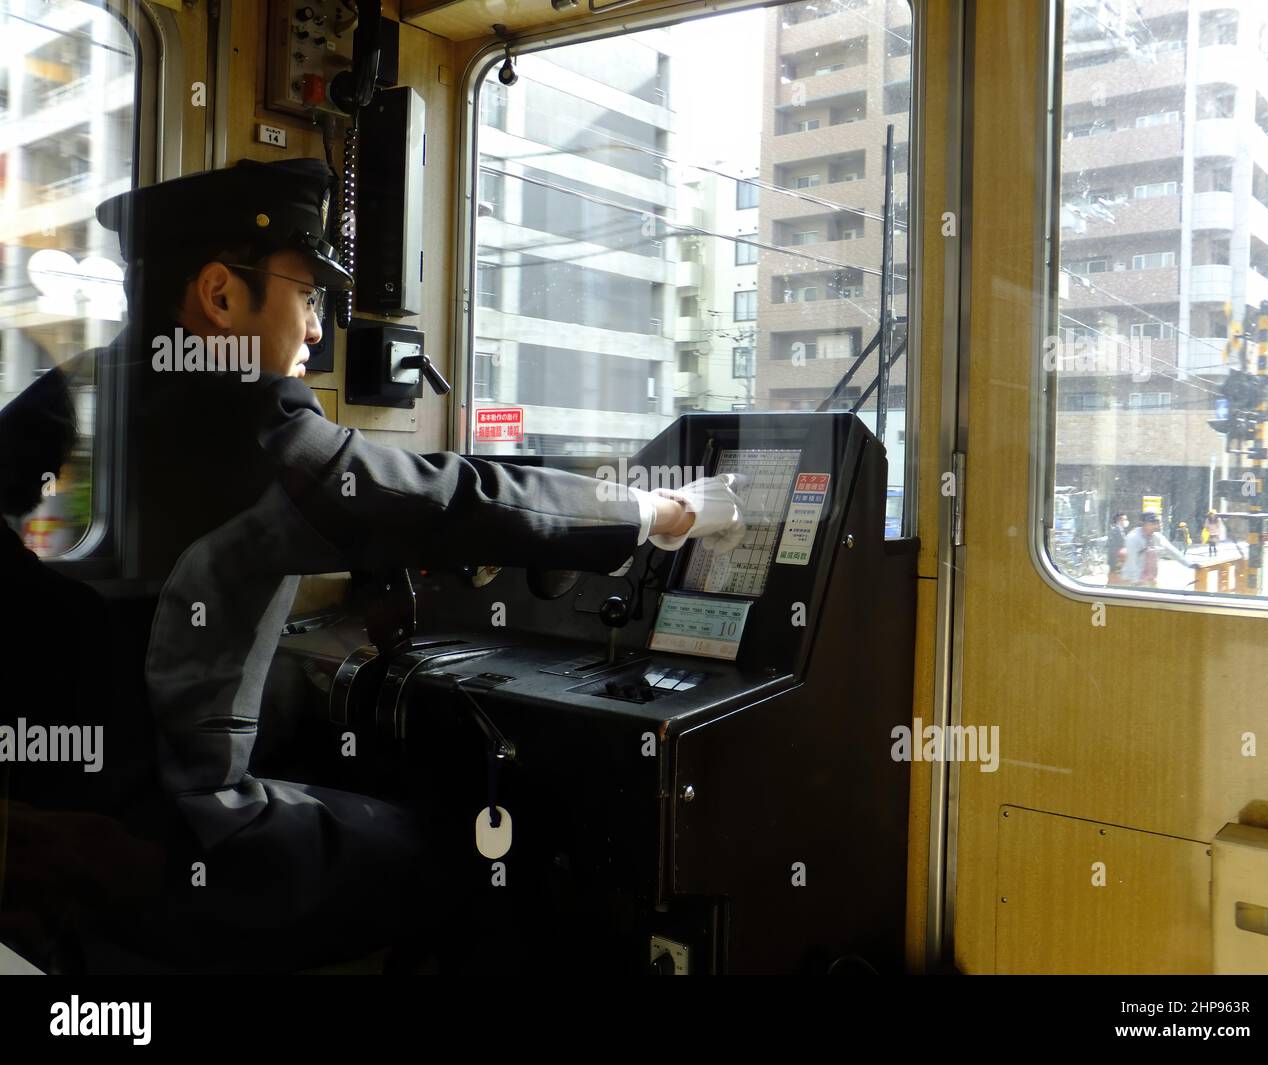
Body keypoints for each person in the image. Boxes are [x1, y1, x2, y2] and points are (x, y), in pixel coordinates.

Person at [4, 157, 747, 968]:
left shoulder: (57, 399)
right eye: (306, 295)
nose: (318, 330)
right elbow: (451, 500)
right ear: (220, 294)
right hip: (177, 843)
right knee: (493, 844)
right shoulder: (256, 423)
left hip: (34, 836)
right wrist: (654, 510)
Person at [1120, 512, 1199, 588]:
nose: (1155, 526)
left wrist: (1189, 564)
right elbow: (1132, 561)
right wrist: (1136, 581)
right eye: (1152, 524)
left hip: (1149, 579)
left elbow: (1171, 550)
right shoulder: (1133, 538)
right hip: (1132, 580)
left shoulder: (1155, 536)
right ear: (1143, 524)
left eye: (1156, 523)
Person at [1106, 512, 1128, 585]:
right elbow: (1123, 542)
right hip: (1115, 559)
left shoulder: (1117, 529)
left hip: (1115, 559)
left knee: (1114, 577)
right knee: (1114, 577)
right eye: (1124, 519)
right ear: (1119, 520)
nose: (1126, 521)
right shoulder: (1117, 530)